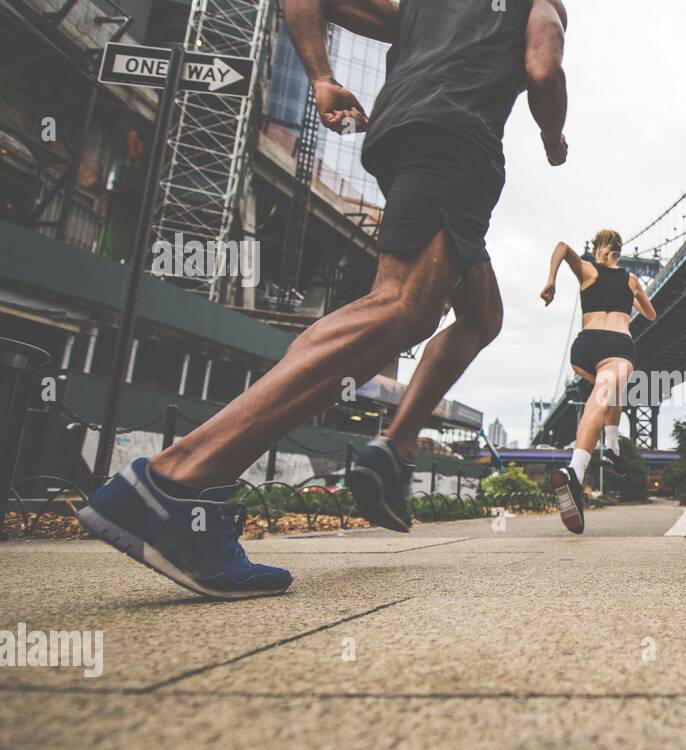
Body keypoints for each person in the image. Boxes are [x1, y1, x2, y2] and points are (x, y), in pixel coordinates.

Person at [75, 0, 571, 599]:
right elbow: (543, 69)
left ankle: (395, 447)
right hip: (455, 141)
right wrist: (552, 135)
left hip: (402, 131)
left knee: (480, 315)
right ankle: (176, 481)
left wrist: (321, 78)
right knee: (399, 306)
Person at [542, 230, 656, 534]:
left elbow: (562, 245)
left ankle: (612, 448)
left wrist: (551, 281)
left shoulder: (588, 270)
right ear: (620, 251)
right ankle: (576, 471)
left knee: (610, 391)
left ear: (595, 248)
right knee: (602, 397)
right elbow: (651, 314)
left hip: (584, 349)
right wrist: (635, 299)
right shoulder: (631, 279)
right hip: (616, 345)